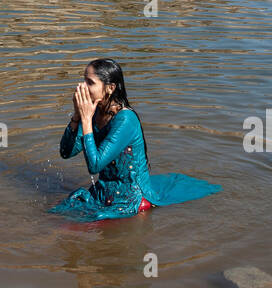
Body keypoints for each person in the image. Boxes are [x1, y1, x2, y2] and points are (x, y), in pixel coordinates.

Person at [51, 58, 222, 220]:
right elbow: (66, 152)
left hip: (130, 196)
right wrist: (77, 116)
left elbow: (94, 166)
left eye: (90, 82)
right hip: (105, 189)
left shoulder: (125, 120)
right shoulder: (94, 111)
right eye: (83, 80)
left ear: (110, 88)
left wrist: (86, 120)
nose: (81, 86)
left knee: (72, 224)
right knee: (57, 212)